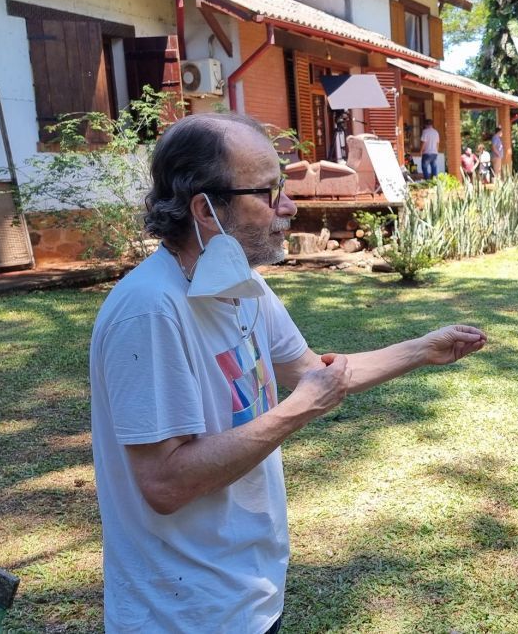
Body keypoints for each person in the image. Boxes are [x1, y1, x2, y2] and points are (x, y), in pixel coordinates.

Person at [90, 113, 487, 633]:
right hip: (182, 615)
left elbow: (312, 372)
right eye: (267, 192)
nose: (289, 206)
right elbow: (164, 483)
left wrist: (422, 349)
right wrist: (299, 410)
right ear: (205, 210)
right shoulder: (150, 312)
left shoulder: (240, 282)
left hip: (248, 592)